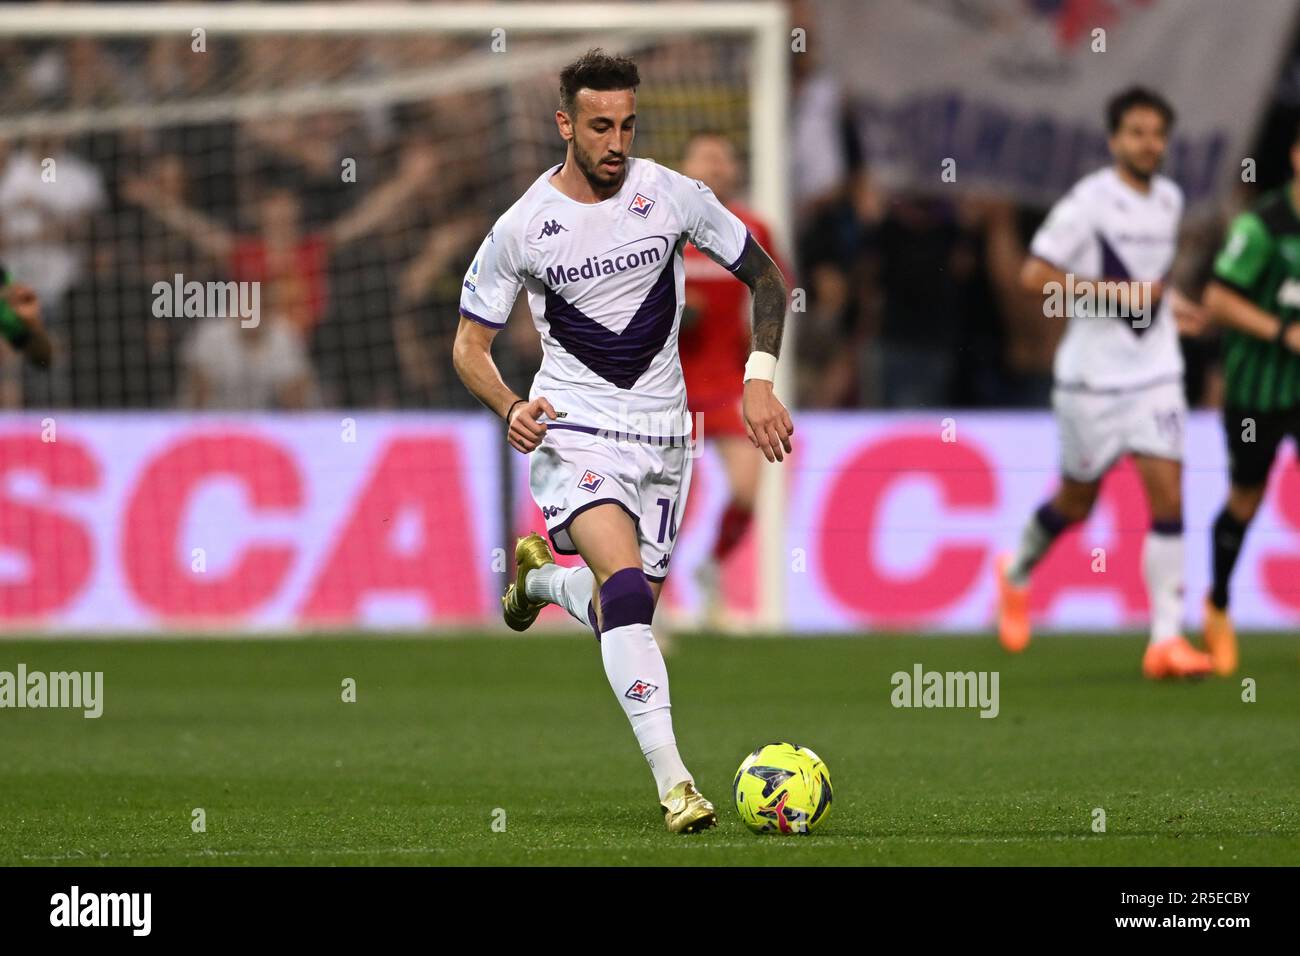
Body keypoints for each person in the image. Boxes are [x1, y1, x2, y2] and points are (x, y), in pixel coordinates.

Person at [452, 49, 792, 833]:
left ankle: (539, 585)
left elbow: (767, 279)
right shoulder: (523, 227)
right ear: (565, 124)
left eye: (628, 125)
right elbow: (469, 346)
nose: (616, 141)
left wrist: (758, 377)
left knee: (620, 605)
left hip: (666, 437)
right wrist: (509, 407)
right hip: (574, 432)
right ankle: (677, 785)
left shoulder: (671, 195)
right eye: (600, 126)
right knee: (631, 595)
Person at [995, 87, 1213, 679]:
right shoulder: (1088, 203)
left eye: (1158, 133)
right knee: (1077, 502)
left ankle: (1166, 640)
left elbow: (1152, 283)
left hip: (1157, 375)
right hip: (1091, 381)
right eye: (1137, 132)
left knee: (1168, 495)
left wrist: (1174, 308)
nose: (1150, 144)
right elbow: (1033, 276)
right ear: (1115, 139)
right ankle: (1015, 571)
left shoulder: (1170, 199)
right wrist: (1118, 294)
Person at [1199, 124, 1300, 676]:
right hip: (1257, 390)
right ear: (1295, 156)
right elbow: (1215, 299)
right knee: (1246, 498)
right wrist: (1283, 333)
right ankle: (1217, 605)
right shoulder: (1263, 225)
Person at [676, 131, 784, 628]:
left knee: (747, 487)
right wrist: (676, 310)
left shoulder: (754, 226)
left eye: (724, 158)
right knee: (669, 499)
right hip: (670, 382)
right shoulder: (665, 226)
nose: (716, 166)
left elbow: (773, 293)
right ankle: (645, 602)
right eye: (706, 157)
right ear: (685, 166)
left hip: (728, 379)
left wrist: (761, 366)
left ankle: (713, 570)